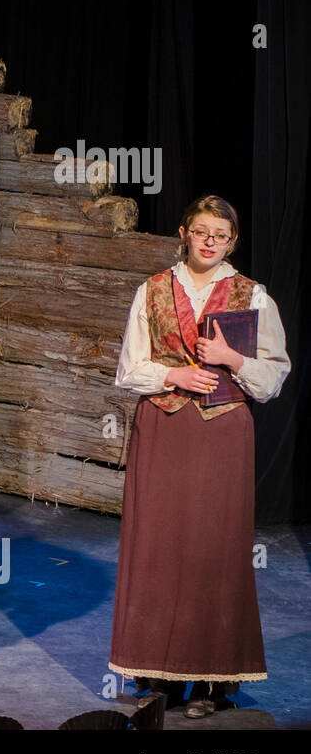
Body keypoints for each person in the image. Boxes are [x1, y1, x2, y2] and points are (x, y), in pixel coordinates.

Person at [109, 195, 290, 718]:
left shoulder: (252, 295)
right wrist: (175, 375)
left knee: (216, 551)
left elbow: (274, 375)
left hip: (223, 433)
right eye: (202, 231)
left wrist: (231, 358)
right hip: (164, 428)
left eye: (222, 235)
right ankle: (154, 677)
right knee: (158, 548)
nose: (210, 242)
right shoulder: (152, 289)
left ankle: (213, 685)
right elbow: (128, 368)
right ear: (185, 233)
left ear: (232, 243)